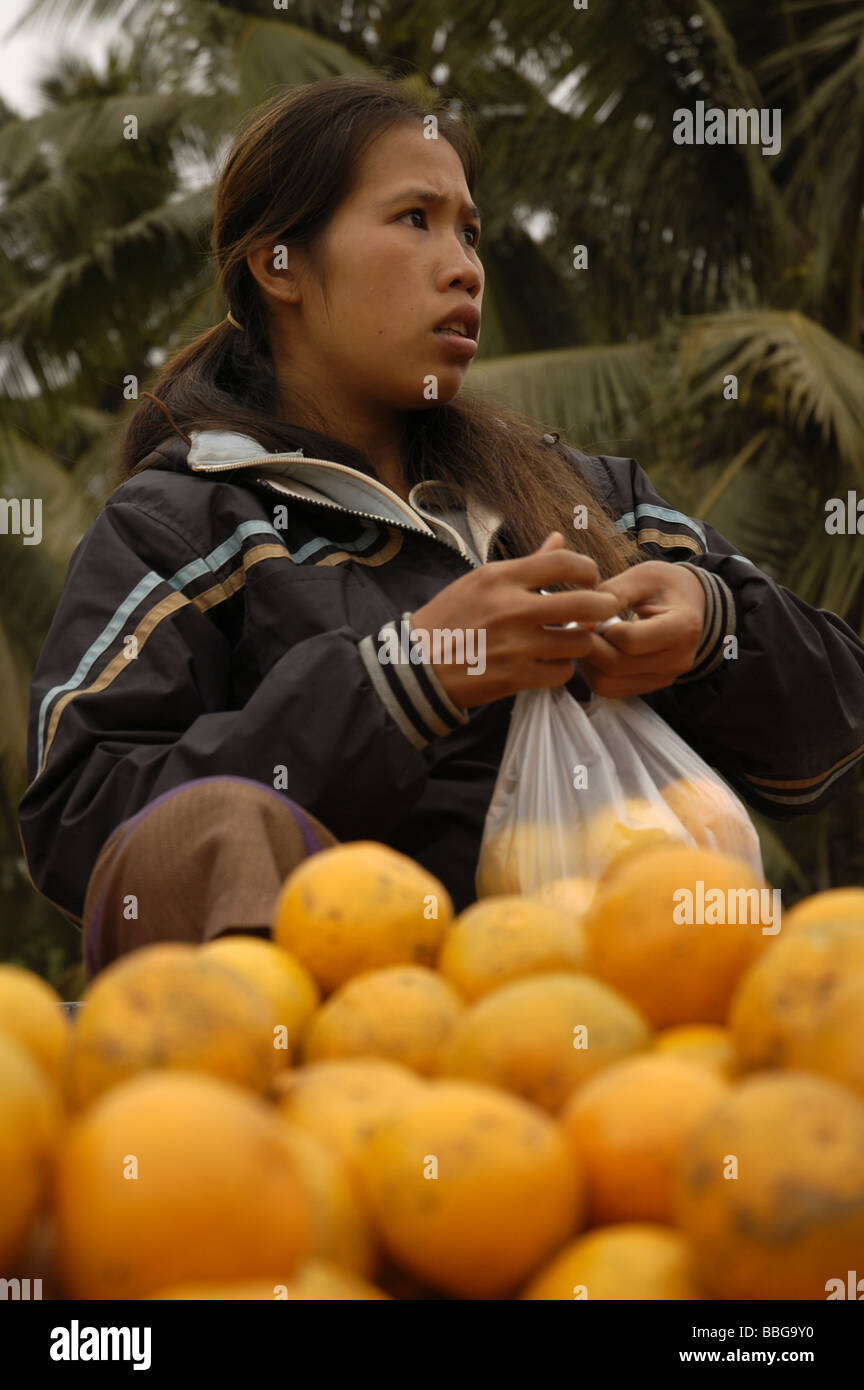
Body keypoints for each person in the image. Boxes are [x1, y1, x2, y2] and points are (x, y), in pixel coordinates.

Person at [17, 75, 864, 977]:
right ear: (280, 265)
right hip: (356, 1054)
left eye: (469, 229)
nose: (464, 265)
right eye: (414, 218)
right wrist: (403, 681)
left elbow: (831, 731)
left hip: (643, 1016)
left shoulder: (585, 499)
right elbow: (90, 818)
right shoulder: (186, 521)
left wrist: (715, 629)